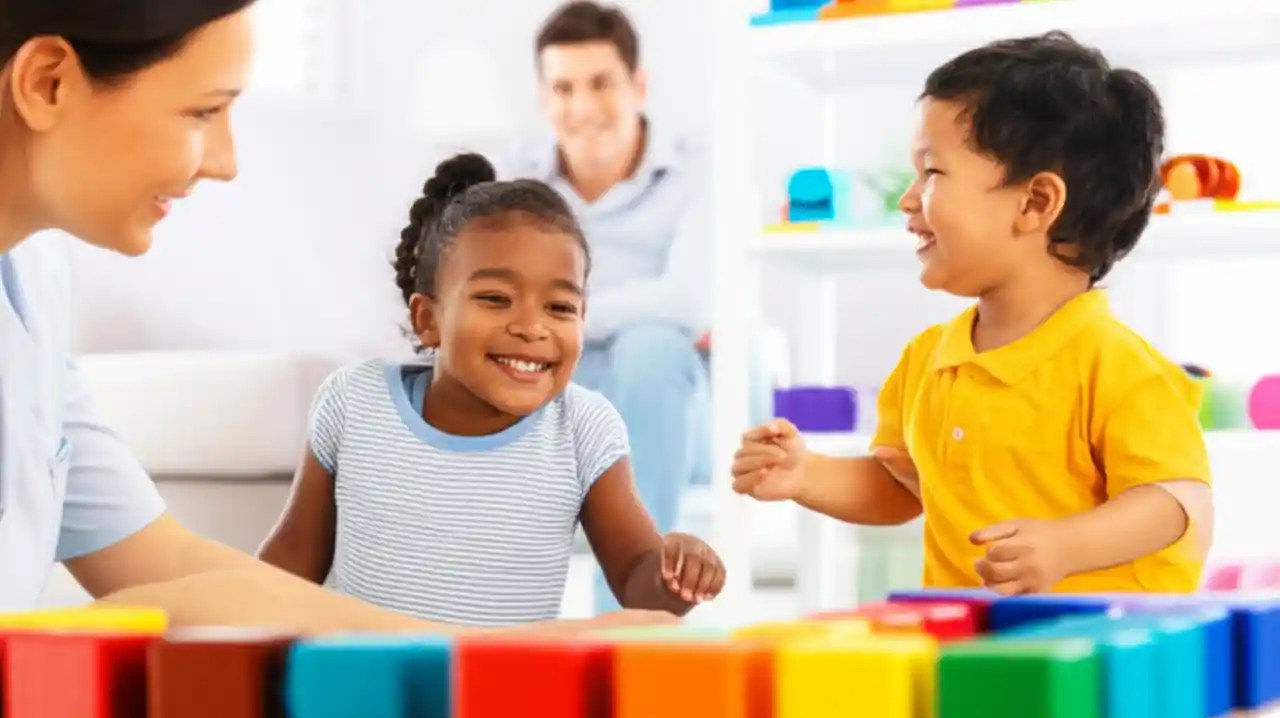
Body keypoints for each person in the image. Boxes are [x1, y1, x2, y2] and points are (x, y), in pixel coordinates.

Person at [0, 0, 674, 634]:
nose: (229, 162)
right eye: (203, 112)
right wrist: (522, 652)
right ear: (48, 83)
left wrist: (505, 653)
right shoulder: (355, 404)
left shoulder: (37, 283)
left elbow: (173, 568)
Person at [733, 32, 1214, 595]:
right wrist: (806, 473)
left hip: (1098, 654)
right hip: (972, 648)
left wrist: (1067, 545)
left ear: (1035, 204)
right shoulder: (928, 362)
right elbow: (902, 487)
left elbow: (1179, 500)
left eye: (932, 173)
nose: (907, 200)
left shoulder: (1118, 365)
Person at [257, 153, 726, 626]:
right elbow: (291, 562)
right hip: (373, 689)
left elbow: (634, 577)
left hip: (506, 694)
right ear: (428, 319)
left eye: (560, 308)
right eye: (496, 299)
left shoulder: (584, 429)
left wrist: (673, 574)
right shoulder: (354, 402)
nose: (531, 327)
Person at [507, 0, 712, 614]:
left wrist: (554, 318)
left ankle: (630, 609)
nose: (584, 107)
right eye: (564, 88)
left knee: (652, 345)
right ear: (544, 99)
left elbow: (687, 300)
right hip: (562, 390)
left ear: (638, 85)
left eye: (601, 83)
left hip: (675, 402)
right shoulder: (514, 181)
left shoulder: (699, 171)